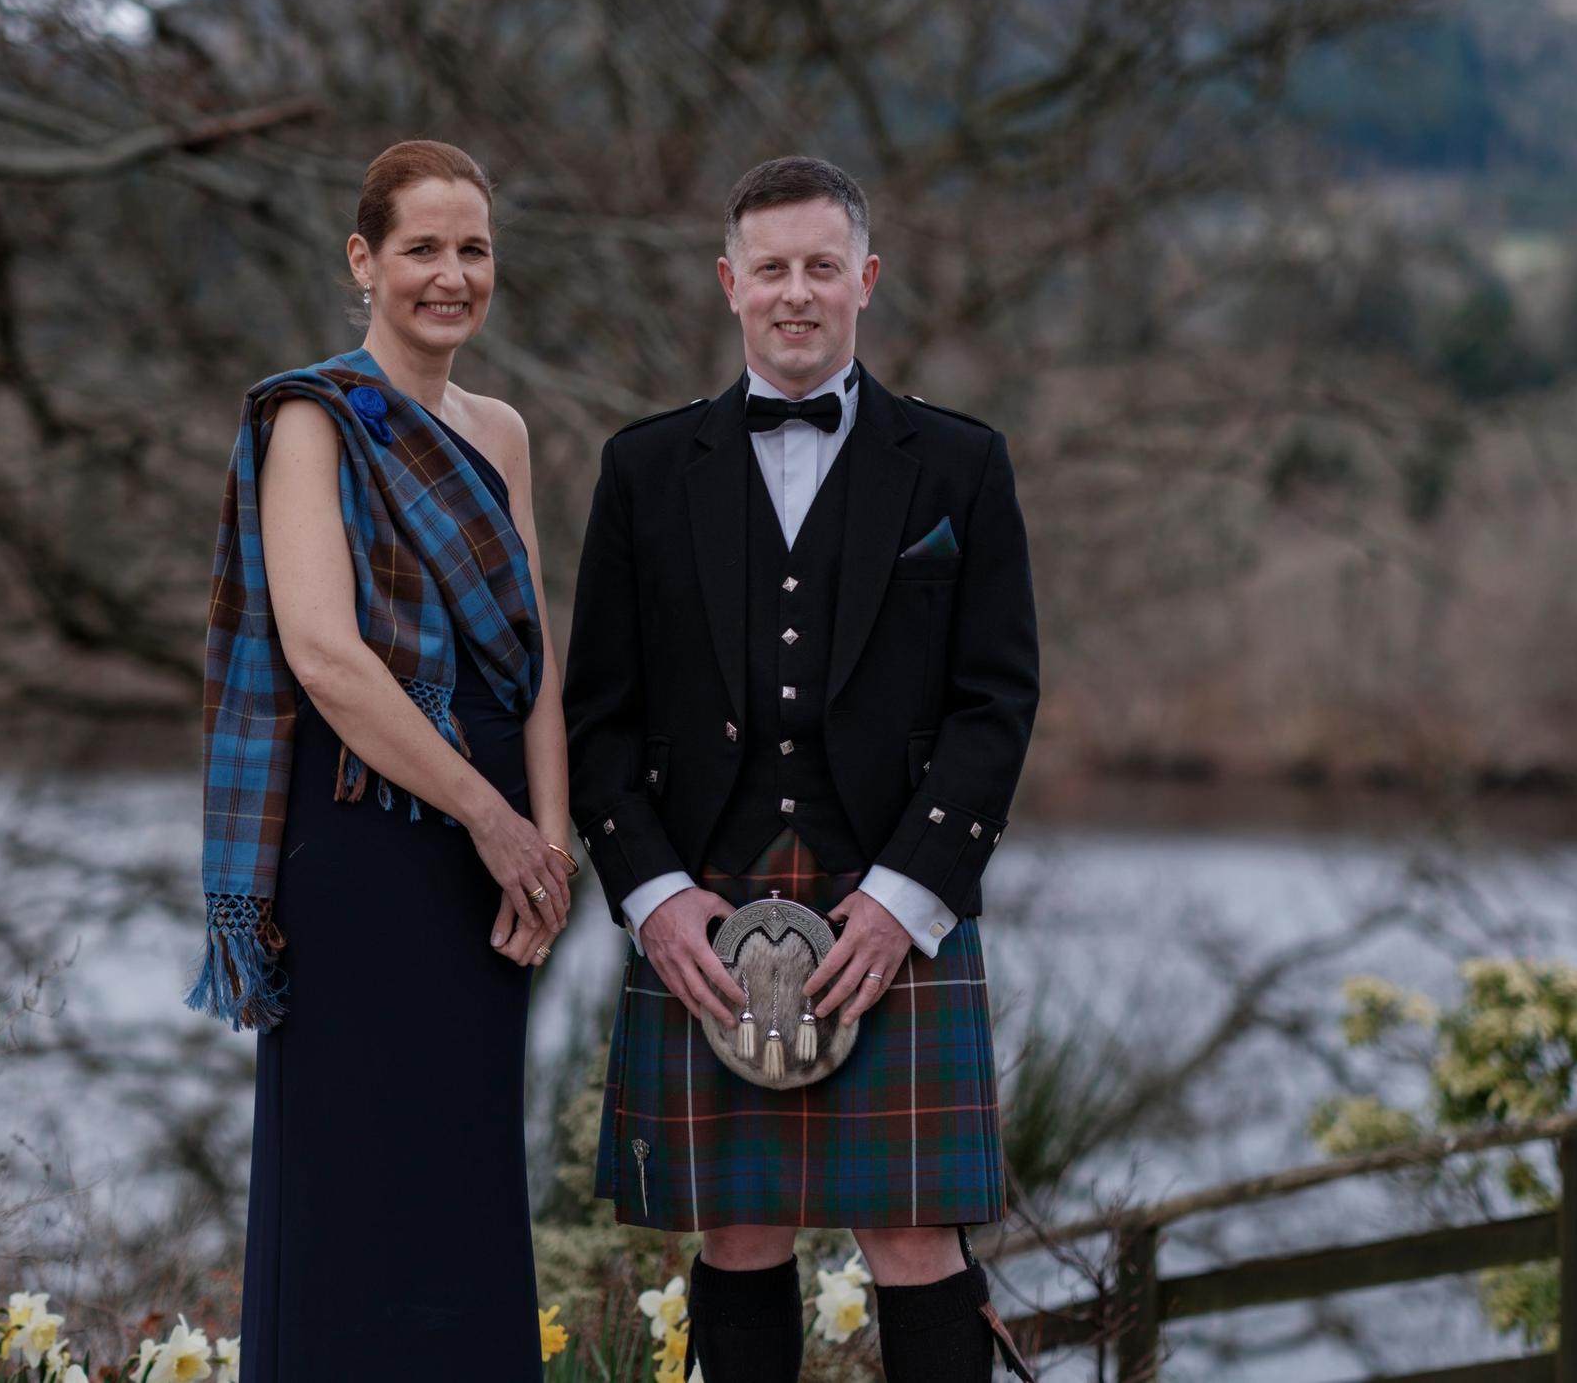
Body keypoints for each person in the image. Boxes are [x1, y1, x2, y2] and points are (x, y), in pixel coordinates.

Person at [564, 156, 1040, 1382]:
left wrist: (905, 898)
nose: (794, 292)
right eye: (768, 268)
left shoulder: (959, 464)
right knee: (735, 1228)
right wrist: (651, 894)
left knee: (913, 1232)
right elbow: (597, 718)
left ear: (863, 280)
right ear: (727, 284)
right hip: (704, 889)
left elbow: (995, 706)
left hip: (892, 887)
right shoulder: (643, 470)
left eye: (820, 266)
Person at [191, 139, 576, 1379]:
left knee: (464, 1182)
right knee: (349, 1185)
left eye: (473, 250)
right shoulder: (310, 418)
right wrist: (489, 819)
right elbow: (324, 656)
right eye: (420, 248)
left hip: (489, 874)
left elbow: (532, 661)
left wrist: (548, 845)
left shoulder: (501, 432)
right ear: (363, 260)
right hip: (364, 847)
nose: (450, 275)